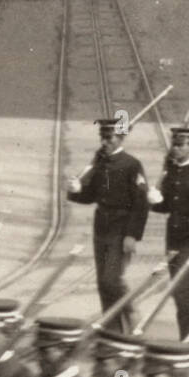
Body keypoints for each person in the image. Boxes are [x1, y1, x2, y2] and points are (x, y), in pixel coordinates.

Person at [66, 118, 150, 334]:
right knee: (102, 283)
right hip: (101, 227)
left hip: (121, 229)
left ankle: (130, 310)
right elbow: (91, 195)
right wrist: (75, 191)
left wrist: (132, 236)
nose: (105, 141)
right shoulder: (100, 163)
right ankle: (112, 331)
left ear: (120, 137)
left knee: (111, 280)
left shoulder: (132, 164)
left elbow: (141, 204)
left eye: (109, 137)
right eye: (102, 137)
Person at [148, 124, 189, 352]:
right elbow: (166, 207)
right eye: (174, 145)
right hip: (174, 240)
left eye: (180, 145)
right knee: (179, 292)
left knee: (181, 289)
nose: (175, 149)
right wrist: (154, 200)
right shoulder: (171, 173)